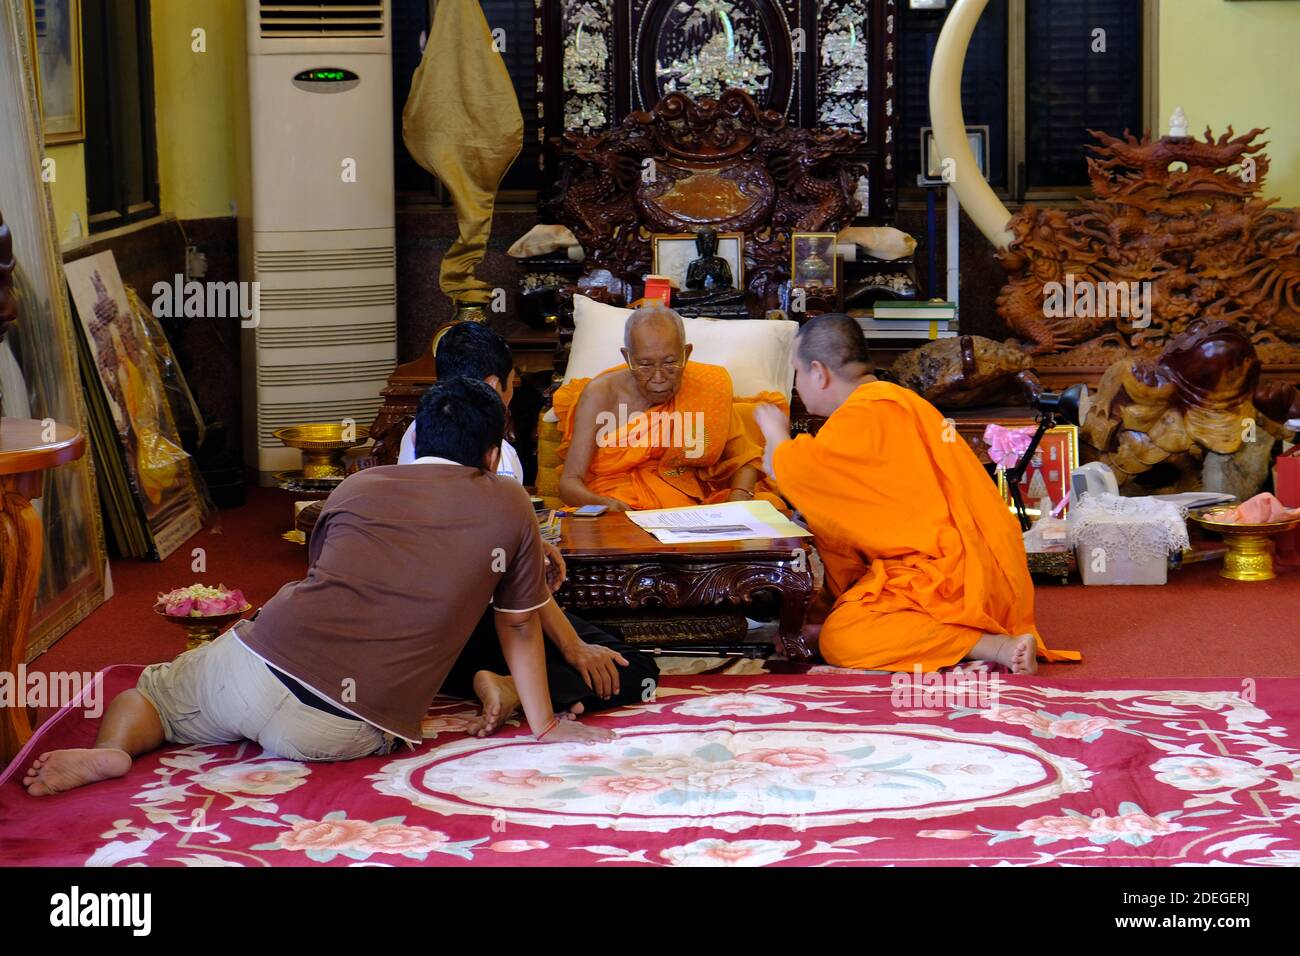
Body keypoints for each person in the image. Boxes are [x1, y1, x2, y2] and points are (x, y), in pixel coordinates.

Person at [21, 378, 614, 797]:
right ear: (493, 452)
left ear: (416, 437)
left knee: (150, 692)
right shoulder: (509, 500)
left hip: (253, 663)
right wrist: (543, 724)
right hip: (336, 725)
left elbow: (327, 574)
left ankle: (118, 749)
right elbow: (517, 621)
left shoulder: (358, 487)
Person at [754, 314, 1080, 675]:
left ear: (819, 372)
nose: (797, 386)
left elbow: (795, 473)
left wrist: (774, 432)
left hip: (946, 575)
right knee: (837, 625)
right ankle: (952, 635)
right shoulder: (900, 402)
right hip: (975, 569)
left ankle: (996, 646)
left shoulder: (863, 414)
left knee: (842, 639)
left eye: (797, 374)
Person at [399, 321, 658, 723]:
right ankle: (512, 686)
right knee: (632, 667)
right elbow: (513, 593)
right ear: (492, 385)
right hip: (486, 617)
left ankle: (476, 680)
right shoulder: (496, 455)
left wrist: (530, 543)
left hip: (418, 636)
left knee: (601, 648)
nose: (514, 391)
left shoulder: (419, 431)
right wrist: (571, 645)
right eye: (512, 383)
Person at [554, 305, 770, 511]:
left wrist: (739, 501)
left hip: (685, 511)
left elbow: (746, 459)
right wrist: (605, 505)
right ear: (627, 357)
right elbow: (570, 484)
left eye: (670, 363)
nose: (658, 378)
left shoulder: (707, 389)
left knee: (769, 505)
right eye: (645, 365)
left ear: (686, 354)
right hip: (615, 507)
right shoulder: (601, 395)